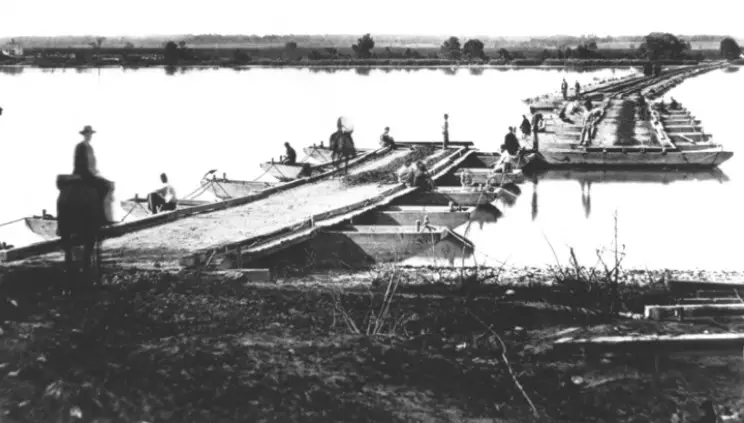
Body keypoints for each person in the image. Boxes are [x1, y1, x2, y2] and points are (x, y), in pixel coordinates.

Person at [72, 125, 116, 225]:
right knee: (104, 187)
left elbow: (93, 166)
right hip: (83, 175)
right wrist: (93, 175)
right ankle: (102, 218)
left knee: (109, 184)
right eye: (87, 134)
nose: (89, 136)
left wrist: (97, 174)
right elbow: (81, 165)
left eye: (90, 134)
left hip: (90, 174)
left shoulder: (89, 147)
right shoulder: (81, 146)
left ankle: (106, 215)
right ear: (84, 135)